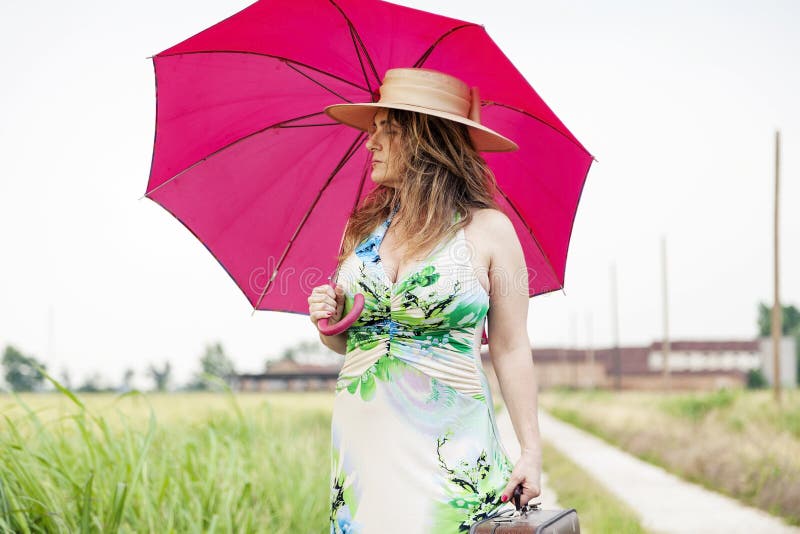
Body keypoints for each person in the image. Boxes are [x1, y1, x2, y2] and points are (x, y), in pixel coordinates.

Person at [307, 67, 542, 533]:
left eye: (386, 132)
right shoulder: (361, 231)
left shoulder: (488, 231)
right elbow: (355, 343)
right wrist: (328, 321)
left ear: (425, 142)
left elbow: (511, 347)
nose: (369, 144)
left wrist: (531, 451)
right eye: (372, 131)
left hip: (449, 451)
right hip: (363, 455)